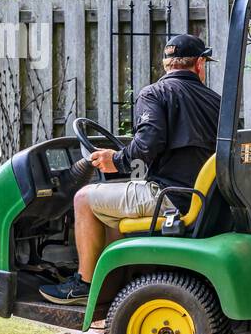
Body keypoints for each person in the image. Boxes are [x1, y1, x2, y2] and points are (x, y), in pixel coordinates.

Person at [41, 34, 221, 304]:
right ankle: (114, 285)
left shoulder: (155, 93)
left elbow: (148, 143)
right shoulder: (215, 101)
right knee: (109, 207)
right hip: (200, 199)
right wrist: (122, 157)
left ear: (166, 65)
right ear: (199, 64)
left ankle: (83, 285)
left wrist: (116, 160)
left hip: (168, 197)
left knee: (83, 199)